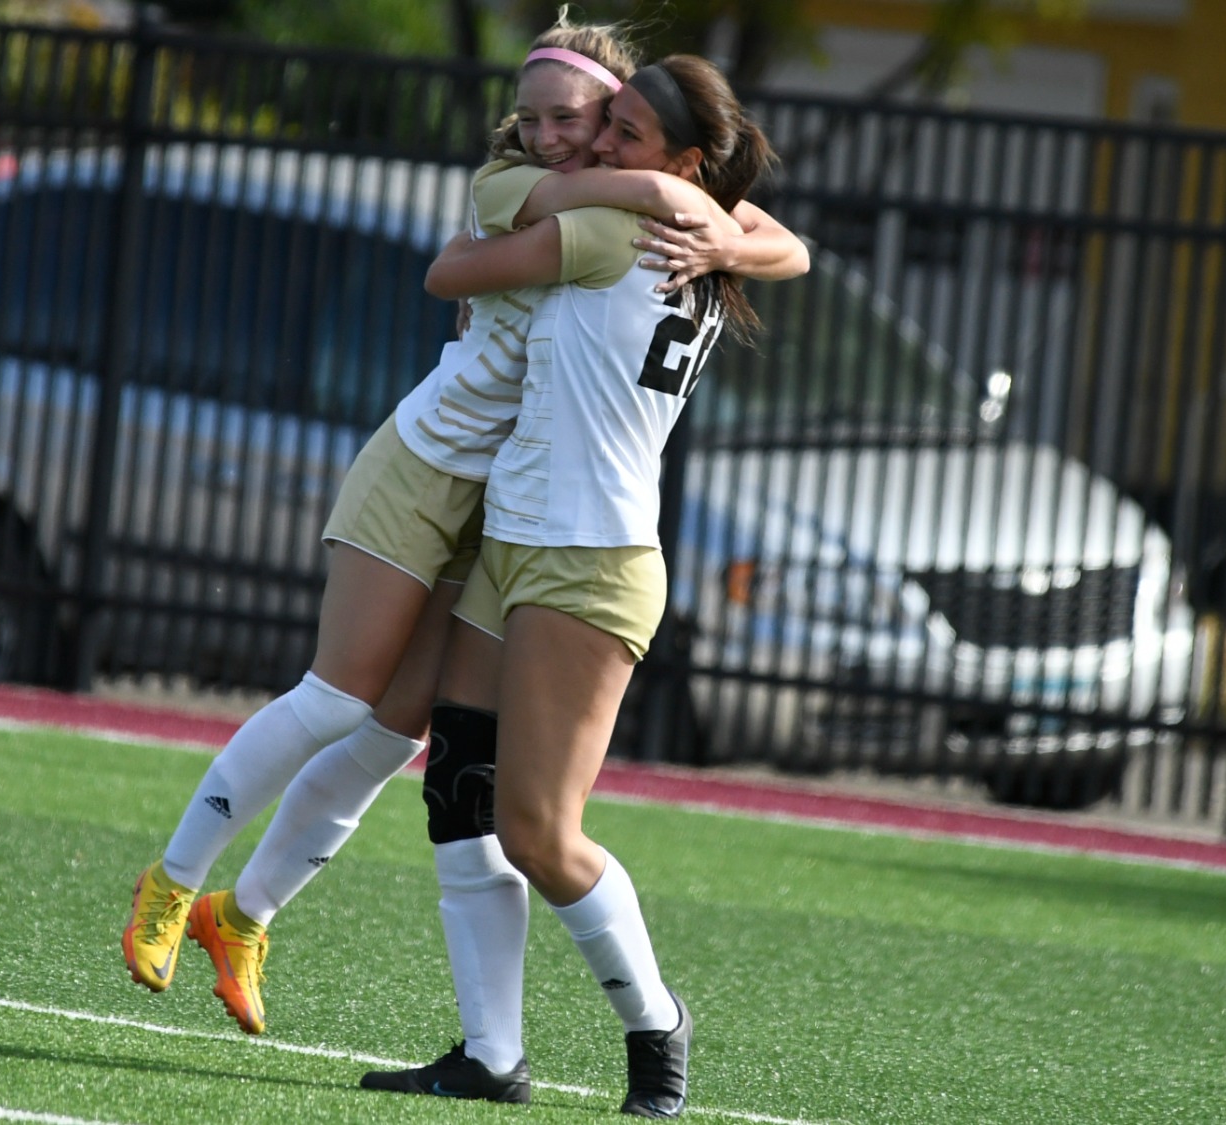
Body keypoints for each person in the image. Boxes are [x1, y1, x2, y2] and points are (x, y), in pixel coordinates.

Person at [122, 18, 809, 1039]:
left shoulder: (652, 219)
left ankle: (246, 916)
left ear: (630, 120)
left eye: (584, 121)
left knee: (401, 729)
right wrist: (665, 195)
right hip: (425, 469)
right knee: (336, 697)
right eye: (532, 117)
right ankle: (171, 883)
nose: (550, 136)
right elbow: (451, 269)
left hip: (504, 506)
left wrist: (717, 228)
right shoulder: (529, 188)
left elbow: (788, 246)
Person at [359, 55, 781, 1118]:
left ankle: (656, 1028)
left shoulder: (620, 232)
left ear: (683, 165)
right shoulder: (688, 221)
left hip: (589, 560)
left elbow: (453, 271)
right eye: (607, 125)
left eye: (624, 135)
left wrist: (661, 205)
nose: (596, 145)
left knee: (540, 831)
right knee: (457, 783)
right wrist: (727, 228)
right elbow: (774, 237)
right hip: (516, 539)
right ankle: (489, 1055)